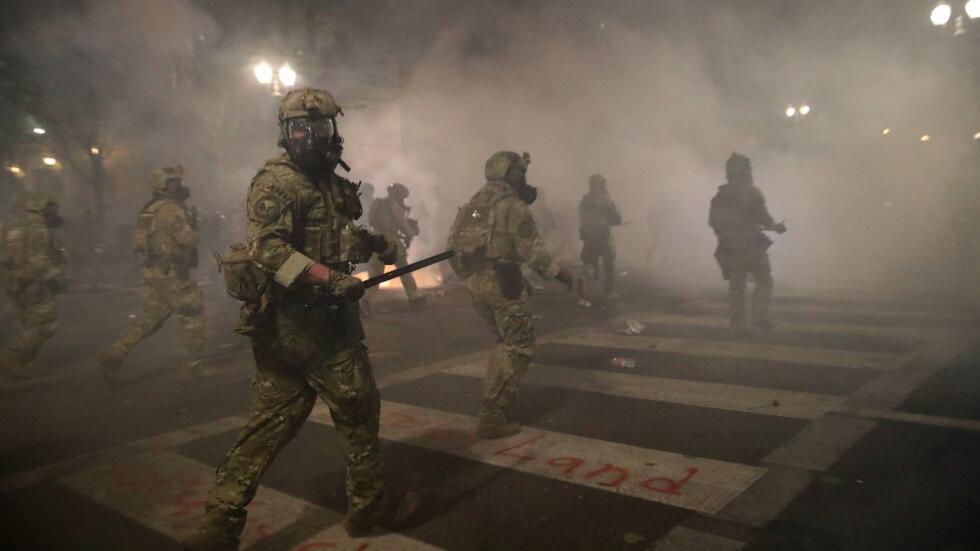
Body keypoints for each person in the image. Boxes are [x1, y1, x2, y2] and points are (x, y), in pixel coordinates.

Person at [184, 88, 414, 550]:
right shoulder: (277, 182)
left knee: (272, 421)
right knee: (357, 407)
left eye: (320, 126)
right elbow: (266, 248)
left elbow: (337, 235)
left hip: (304, 326)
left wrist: (376, 245)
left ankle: (220, 521)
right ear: (285, 133)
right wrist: (331, 280)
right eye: (300, 128)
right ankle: (368, 507)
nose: (311, 137)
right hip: (306, 323)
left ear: (334, 129)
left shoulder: (329, 183)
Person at [447, 151, 573, 439]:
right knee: (517, 347)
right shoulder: (512, 206)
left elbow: (453, 246)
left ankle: (495, 404)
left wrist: (470, 277)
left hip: (477, 283)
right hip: (504, 284)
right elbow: (535, 255)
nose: (524, 180)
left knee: (505, 342)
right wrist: (563, 275)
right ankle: (493, 415)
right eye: (521, 174)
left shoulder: (475, 206)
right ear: (512, 174)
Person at [99, 166, 211, 386]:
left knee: (149, 320)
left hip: (153, 270)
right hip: (172, 272)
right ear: (162, 185)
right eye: (173, 182)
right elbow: (187, 239)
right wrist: (198, 230)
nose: (178, 185)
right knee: (193, 314)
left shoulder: (148, 209)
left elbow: (141, 242)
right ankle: (194, 367)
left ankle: (114, 354)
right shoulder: (172, 209)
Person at [708, 153, 786, 330]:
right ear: (747, 171)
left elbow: (713, 221)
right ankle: (758, 316)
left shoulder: (723, 195)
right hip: (752, 244)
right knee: (763, 279)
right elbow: (765, 219)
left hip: (735, 245)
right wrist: (776, 227)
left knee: (738, 284)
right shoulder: (752, 192)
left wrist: (726, 235)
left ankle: (738, 322)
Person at [0, 192, 69, 379]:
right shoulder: (37, 226)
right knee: (47, 324)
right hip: (32, 283)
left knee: (28, 324)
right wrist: (57, 279)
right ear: (43, 206)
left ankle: (24, 365)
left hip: (12, 283)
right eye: (53, 207)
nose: (55, 211)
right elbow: (39, 261)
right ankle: (10, 357)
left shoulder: (11, 223)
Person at [367, 182, 423, 306]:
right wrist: (412, 233)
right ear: (398, 195)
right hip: (391, 241)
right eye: (402, 197)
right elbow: (404, 227)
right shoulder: (395, 207)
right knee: (404, 269)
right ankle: (414, 297)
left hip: (376, 240)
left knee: (375, 274)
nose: (403, 200)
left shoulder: (377, 204)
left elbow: (371, 221)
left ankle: (365, 300)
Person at [577, 173, 622, 298]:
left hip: (589, 237)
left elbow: (583, 218)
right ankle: (609, 291)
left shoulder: (585, 200)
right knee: (609, 264)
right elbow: (617, 218)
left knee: (590, 263)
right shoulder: (605, 199)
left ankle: (583, 279)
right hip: (603, 235)